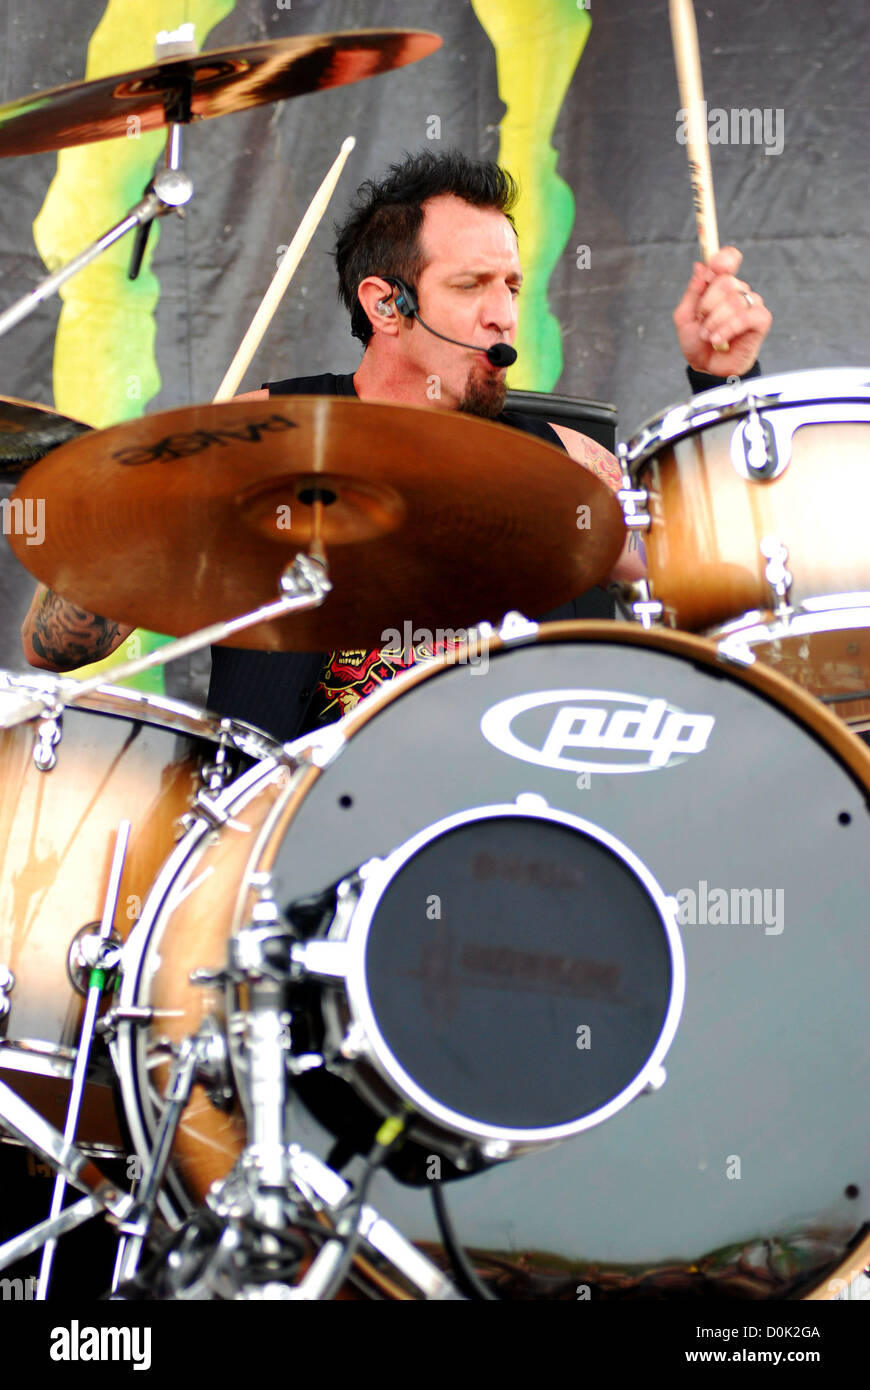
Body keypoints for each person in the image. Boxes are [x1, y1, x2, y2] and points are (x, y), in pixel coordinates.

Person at [22, 150, 771, 741]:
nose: (504, 314)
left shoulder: (567, 464)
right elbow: (55, 650)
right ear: (387, 303)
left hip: (512, 827)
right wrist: (138, 511)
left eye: (511, 284)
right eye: (473, 284)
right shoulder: (259, 436)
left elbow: (730, 593)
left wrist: (723, 385)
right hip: (283, 844)